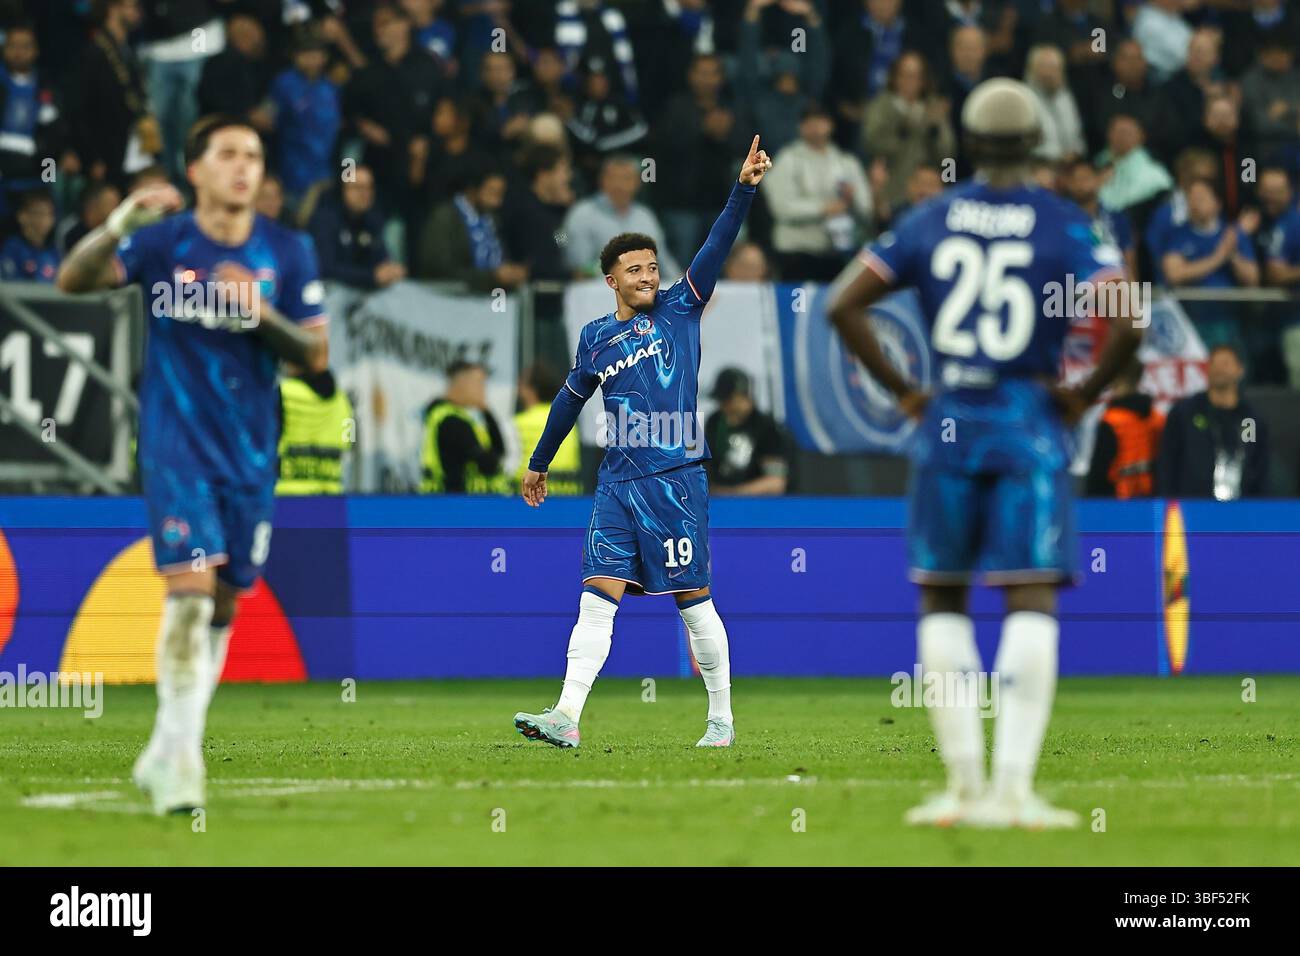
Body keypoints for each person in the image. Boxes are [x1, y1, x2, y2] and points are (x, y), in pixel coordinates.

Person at [827, 79, 1143, 829]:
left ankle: (961, 790)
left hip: (947, 419)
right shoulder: (1064, 221)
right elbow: (1129, 315)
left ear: (966, 143)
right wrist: (1081, 393)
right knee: (1030, 592)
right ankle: (1015, 792)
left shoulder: (926, 219)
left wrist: (907, 394)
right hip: (1029, 416)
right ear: (1036, 143)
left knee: (941, 594)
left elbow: (843, 303)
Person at [56, 115, 330, 816]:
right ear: (197, 170)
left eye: (255, 157)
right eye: (229, 155)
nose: (245, 168)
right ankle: (181, 765)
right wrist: (117, 221)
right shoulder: (162, 242)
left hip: (250, 454)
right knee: (189, 592)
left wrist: (257, 313)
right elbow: (72, 282)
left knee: (226, 598)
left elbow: (315, 355)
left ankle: (166, 746)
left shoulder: (288, 251)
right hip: (176, 446)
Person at [512, 135, 772, 750]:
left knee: (693, 600)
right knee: (596, 597)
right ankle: (566, 716)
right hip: (616, 483)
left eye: (653, 266)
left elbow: (717, 243)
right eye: (636, 270)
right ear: (612, 280)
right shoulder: (596, 337)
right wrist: (539, 464)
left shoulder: (683, 306)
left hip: (676, 478)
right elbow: (568, 402)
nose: (649, 276)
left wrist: (744, 188)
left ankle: (721, 720)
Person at [1157, 344, 1270, 500]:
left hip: (1240, 511)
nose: (1219, 369)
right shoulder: (1185, 413)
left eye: (1225, 363)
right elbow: (1167, 465)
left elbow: (1255, 462)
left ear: (1240, 370)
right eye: (1213, 363)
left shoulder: (1248, 420)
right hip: (1192, 508)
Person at [420, 360, 510, 494]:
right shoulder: (452, 422)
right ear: (462, 384)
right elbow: (490, 464)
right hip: (456, 504)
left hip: (448, 501)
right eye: (479, 384)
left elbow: (499, 453)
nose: (483, 390)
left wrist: (485, 411)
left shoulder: (446, 415)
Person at [1085, 358, 1164, 499]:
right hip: (1152, 502)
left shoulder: (1111, 420)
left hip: (1116, 502)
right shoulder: (1157, 418)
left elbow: (1098, 474)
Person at [704, 367, 790, 496]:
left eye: (727, 399)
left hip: (756, 505)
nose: (723, 405)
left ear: (742, 396)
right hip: (717, 503)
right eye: (720, 400)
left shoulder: (766, 427)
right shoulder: (714, 422)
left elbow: (776, 483)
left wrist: (733, 493)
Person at [276, 369, 354, 495]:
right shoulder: (344, 401)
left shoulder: (283, 393)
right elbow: (350, 443)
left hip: (287, 501)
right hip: (332, 501)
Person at [514, 362, 581, 496]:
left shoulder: (518, 423)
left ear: (529, 389)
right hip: (568, 495)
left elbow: (508, 467)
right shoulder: (569, 424)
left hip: (529, 493)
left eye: (521, 384)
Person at [0, 190, 60, 281]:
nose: (44, 219)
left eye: (49, 214)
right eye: (39, 213)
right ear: (22, 216)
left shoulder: (54, 252)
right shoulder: (12, 248)